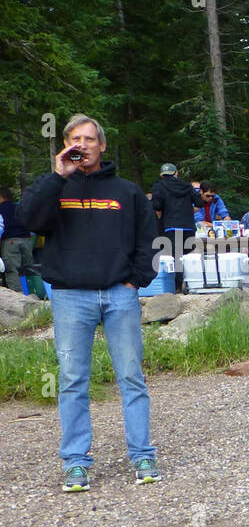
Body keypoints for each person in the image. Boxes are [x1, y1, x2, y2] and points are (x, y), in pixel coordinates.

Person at [20, 114, 161, 490]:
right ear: (66, 145)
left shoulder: (126, 192)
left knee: (131, 377)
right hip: (69, 296)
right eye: (75, 139)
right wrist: (57, 176)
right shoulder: (54, 187)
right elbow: (27, 219)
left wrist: (136, 281)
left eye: (89, 139)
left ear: (101, 145)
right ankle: (76, 462)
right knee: (71, 380)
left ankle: (143, 456)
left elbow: (151, 239)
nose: (82, 145)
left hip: (119, 294)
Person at [147, 164, 198, 281]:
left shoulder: (159, 186)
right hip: (188, 226)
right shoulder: (187, 186)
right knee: (186, 255)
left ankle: (177, 284)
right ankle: (190, 281)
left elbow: (157, 205)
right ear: (176, 173)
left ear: (162, 175)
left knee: (175, 256)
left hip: (171, 226)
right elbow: (199, 202)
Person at [0, 186, 45, 298]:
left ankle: (18, 296)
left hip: (10, 241)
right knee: (29, 268)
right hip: (26, 240)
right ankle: (35, 292)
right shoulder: (18, 207)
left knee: (12, 269)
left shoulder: (1, 209)